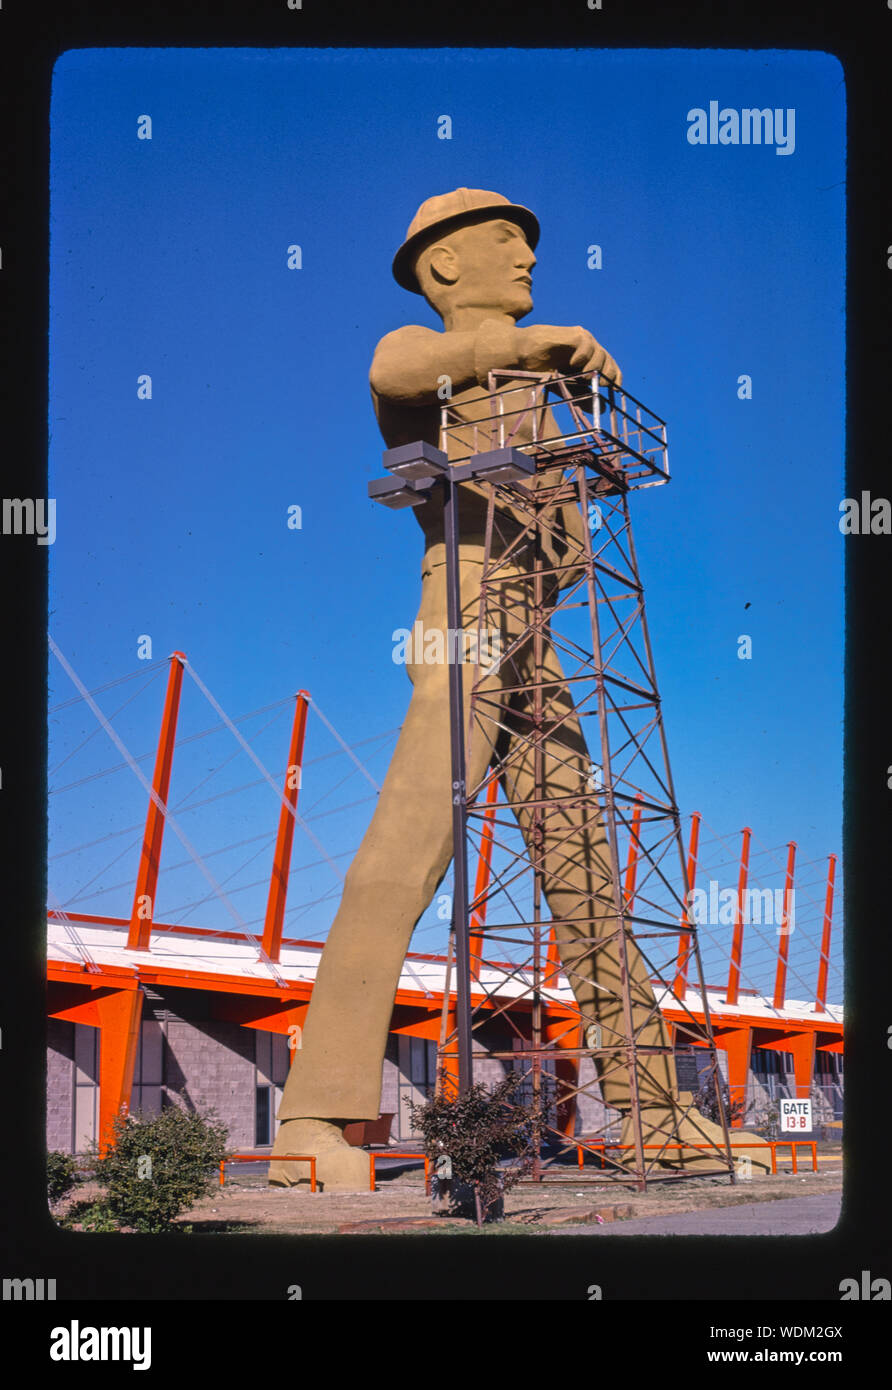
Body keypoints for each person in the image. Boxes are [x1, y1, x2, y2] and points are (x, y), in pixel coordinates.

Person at [269, 188, 768, 1188]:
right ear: (445, 265)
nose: (529, 261)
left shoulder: (535, 388)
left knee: (587, 880)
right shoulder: (423, 353)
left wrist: (567, 411)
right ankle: (315, 1118)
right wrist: (540, 349)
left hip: (535, 639)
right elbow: (392, 369)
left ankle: (656, 1108)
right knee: (404, 855)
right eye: (507, 242)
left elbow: (570, 543)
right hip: (462, 620)